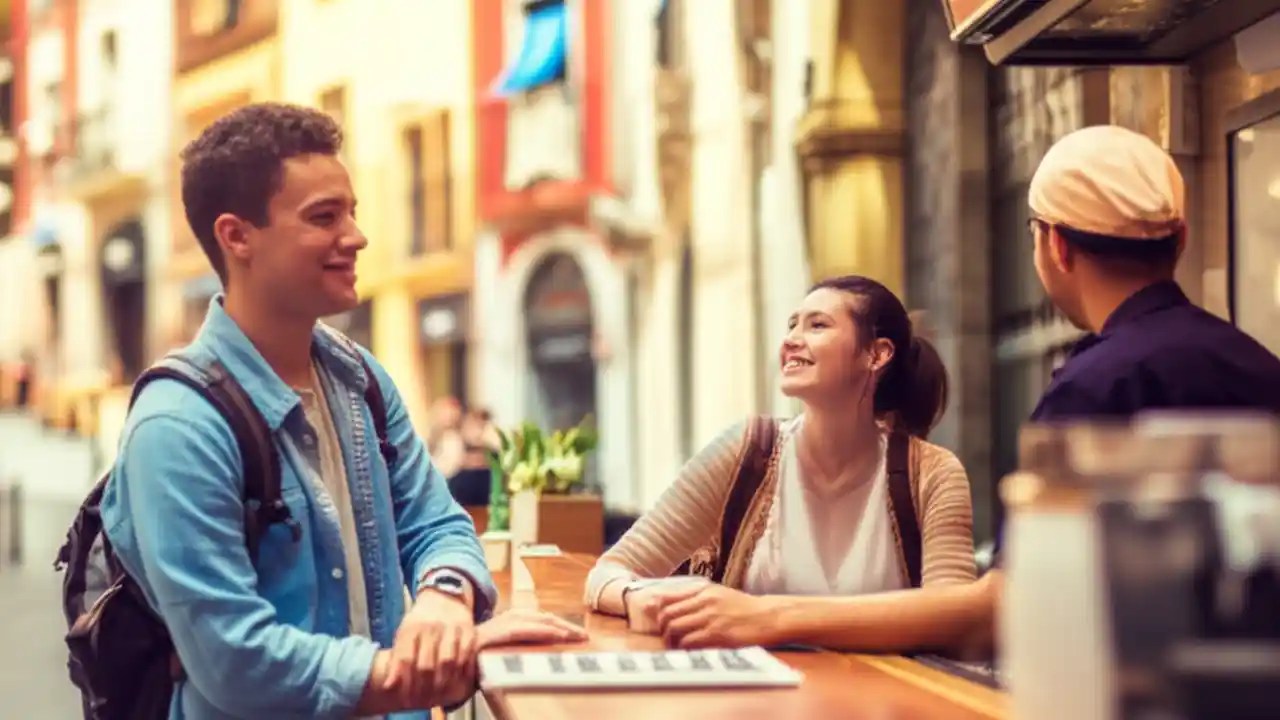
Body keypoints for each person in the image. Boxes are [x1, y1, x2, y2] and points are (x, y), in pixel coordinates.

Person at [99, 103, 582, 720]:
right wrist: (419, 675)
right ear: (236, 236)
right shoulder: (177, 427)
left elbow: (438, 524)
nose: (355, 236)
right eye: (323, 217)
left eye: (351, 212)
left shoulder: (360, 379)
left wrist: (443, 598)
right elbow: (234, 661)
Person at [764, 124, 1280, 660]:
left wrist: (771, 615)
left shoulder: (1094, 387)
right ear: (1180, 240)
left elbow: (1004, 610)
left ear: (1054, 244)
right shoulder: (1255, 362)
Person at [584, 275, 977, 650]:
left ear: (876, 354)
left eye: (817, 325)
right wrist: (638, 596)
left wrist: (774, 616)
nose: (791, 340)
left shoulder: (933, 474)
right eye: (792, 325)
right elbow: (608, 572)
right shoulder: (747, 451)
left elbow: (956, 618)